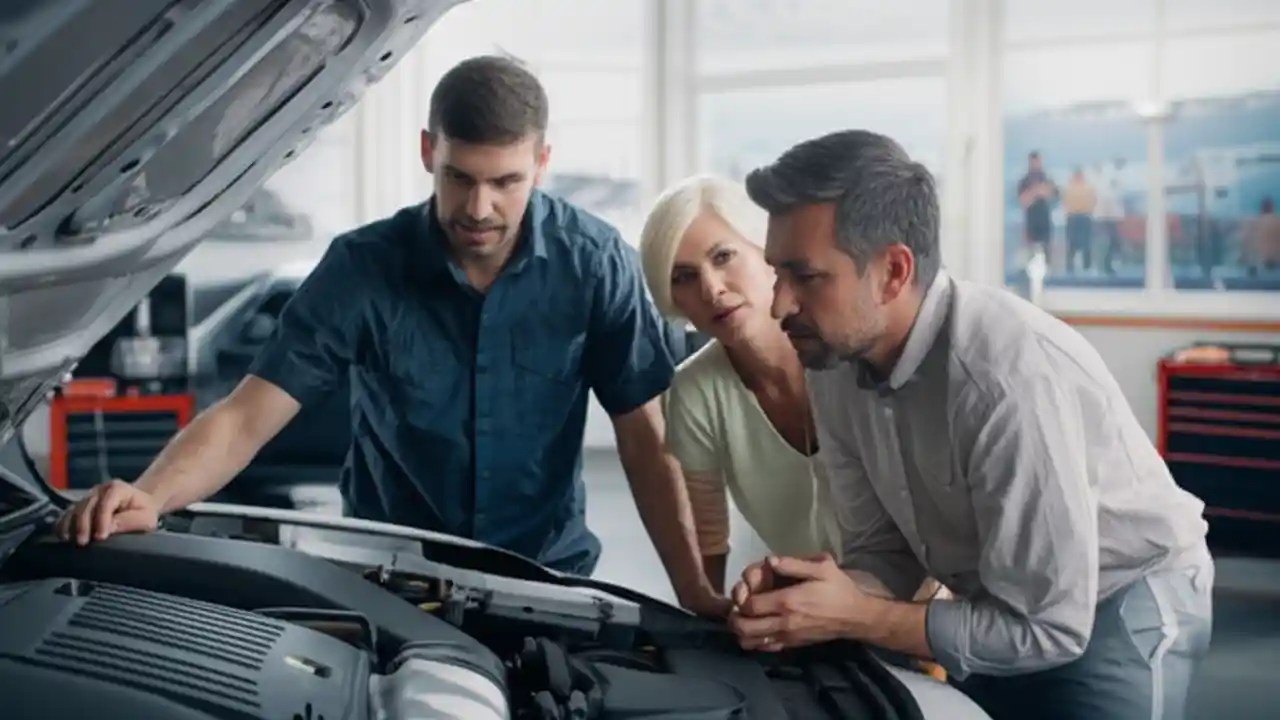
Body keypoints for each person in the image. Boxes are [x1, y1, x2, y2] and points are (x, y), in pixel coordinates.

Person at [53, 55, 710, 584]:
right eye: (459, 176)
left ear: (541, 163)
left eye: (506, 181)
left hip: (544, 571)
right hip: (392, 569)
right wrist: (151, 495)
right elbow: (247, 415)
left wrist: (693, 592)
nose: (479, 207)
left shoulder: (596, 264)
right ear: (429, 152)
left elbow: (646, 438)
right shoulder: (360, 269)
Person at [726, 129, 1215, 720]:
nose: (779, 305)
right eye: (777, 273)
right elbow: (883, 552)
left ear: (894, 272)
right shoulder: (833, 359)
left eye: (806, 276)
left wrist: (859, 615)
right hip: (999, 601)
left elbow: (1051, 628)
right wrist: (813, 599)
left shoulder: (1004, 378)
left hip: (1121, 596)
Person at [635, 175, 842, 616]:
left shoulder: (846, 350)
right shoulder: (694, 392)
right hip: (816, 617)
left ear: (766, 250)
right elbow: (709, 539)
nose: (711, 289)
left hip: (923, 606)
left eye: (723, 257)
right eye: (684, 277)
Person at [1017, 151, 1057, 257]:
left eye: (1038, 161)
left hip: (1045, 221)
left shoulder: (1047, 179)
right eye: (1034, 162)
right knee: (1031, 253)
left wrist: (1042, 192)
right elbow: (1024, 201)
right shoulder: (1024, 181)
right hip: (1031, 221)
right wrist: (1036, 191)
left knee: (1046, 252)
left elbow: (1051, 196)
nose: (1036, 164)